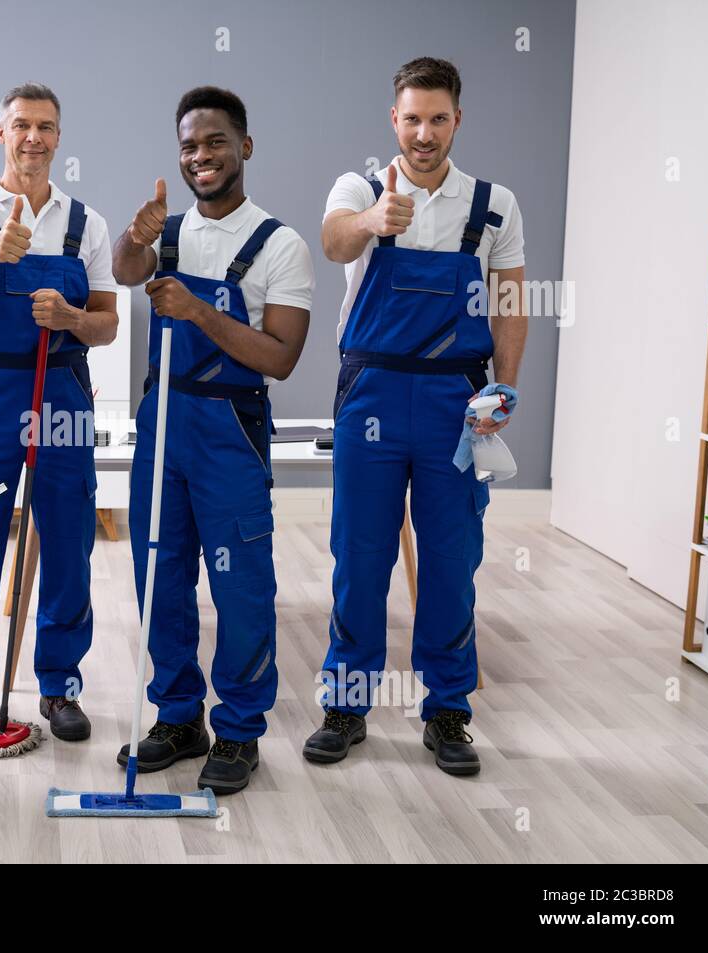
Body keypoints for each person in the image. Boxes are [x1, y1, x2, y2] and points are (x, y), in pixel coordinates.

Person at [303, 57, 526, 776]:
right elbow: (334, 240)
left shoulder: (495, 204)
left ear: (457, 120)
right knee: (359, 555)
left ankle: (449, 709)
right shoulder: (360, 187)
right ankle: (346, 703)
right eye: (411, 118)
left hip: (456, 405)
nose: (423, 132)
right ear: (392, 120)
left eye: (437, 118)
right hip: (371, 392)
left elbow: (510, 303)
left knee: (452, 561)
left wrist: (506, 390)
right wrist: (374, 219)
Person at [111, 87, 313, 795]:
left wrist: (197, 309)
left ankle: (239, 729)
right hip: (162, 422)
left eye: (216, 141)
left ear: (245, 147)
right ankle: (176, 716)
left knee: (242, 586)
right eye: (190, 145)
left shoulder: (281, 245)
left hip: (230, 426)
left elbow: (280, 355)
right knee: (159, 577)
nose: (202, 156)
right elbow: (123, 274)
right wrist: (135, 239)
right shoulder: (167, 232)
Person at [0, 83, 119, 743]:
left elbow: (108, 323)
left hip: (63, 389)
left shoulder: (85, 224)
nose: (33, 137)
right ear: (0, 132)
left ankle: (60, 687)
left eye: (45, 126)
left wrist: (72, 319)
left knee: (68, 538)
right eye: (21, 125)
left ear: (58, 137)